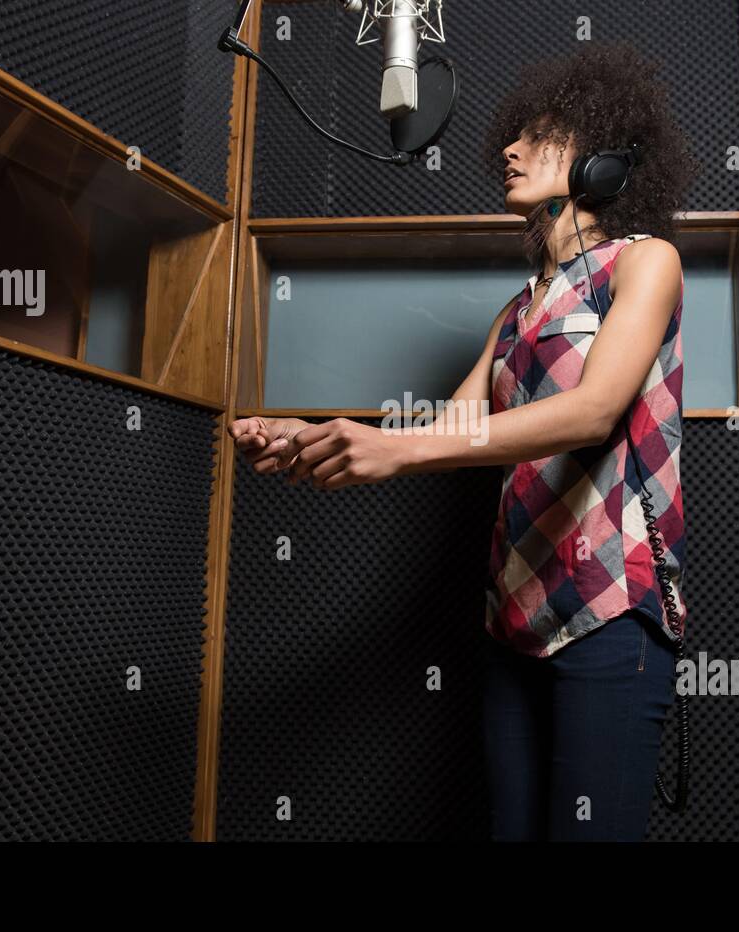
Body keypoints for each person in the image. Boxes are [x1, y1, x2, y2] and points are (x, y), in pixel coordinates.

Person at [229, 40, 696, 842]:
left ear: (603, 165)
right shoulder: (514, 315)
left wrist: (398, 451)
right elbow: (443, 431)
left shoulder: (645, 264)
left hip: (611, 615)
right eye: (513, 139)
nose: (509, 150)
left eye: (540, 137)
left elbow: (593, 412)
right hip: (511, 618)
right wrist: (314, 441)